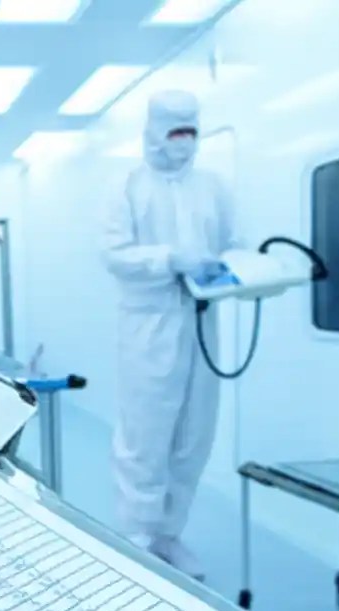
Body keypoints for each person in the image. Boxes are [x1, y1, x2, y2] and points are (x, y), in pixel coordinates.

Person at [99, 89, 239, 581]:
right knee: (144, 434)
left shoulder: (214, 187)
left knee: (194, 435)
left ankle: (169, 535)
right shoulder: (129, 186)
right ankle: (136, 540)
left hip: (201, 319)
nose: (184, 143)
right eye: (174, 132)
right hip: (149, 322)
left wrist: (244, 270)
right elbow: (115, 255)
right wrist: (167, 259)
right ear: (154, 132)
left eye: (191, 132)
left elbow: (232, 244)